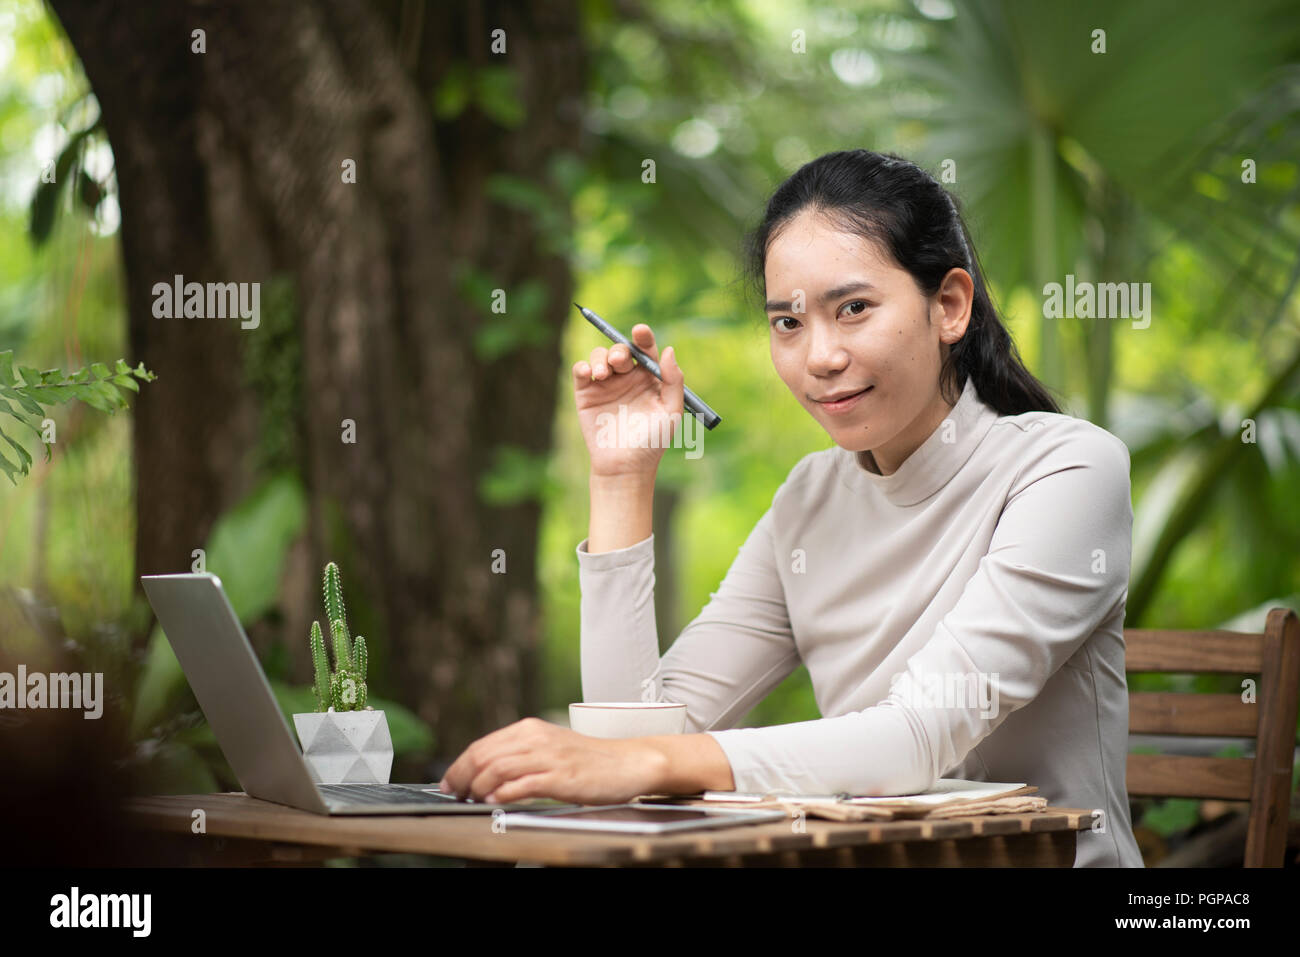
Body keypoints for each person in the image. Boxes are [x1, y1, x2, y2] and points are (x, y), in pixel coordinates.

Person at [439, 149, 1142, 867]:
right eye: (788, 323)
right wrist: (621, 479)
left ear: (950, 306)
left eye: (855, 309)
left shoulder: (1068, 470)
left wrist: (652, 761)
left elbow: (917, 735)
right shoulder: (810, 500)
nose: (820, 357)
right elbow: (629, 751)